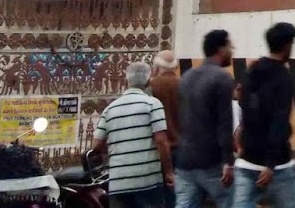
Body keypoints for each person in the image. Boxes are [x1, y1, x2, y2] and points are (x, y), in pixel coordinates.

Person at [235, 23, 295, 208]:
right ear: (287, 45)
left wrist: (242, 143)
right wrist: (270, 164)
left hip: (247, 161)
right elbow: (279, 120)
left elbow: (246, 112)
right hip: (277, 166)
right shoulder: (283, 77)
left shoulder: (251, 72)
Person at [95, 62, 173, 208]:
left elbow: (97, 144)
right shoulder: (152, 104)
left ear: (126, 81)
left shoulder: (110, 109)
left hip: (118, 183)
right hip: (147, 182)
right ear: (149, 82)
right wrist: (168, 172)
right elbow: (161, 141)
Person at [175, 30, 235, 208]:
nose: (232, 50)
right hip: (210, 161)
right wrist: (228, 161)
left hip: (184, 161)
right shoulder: (222, 78)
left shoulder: (186, 77)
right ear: (221, 49)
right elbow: (225, 123)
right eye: (230, 46)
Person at [151, 51, 182, 148]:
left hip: (160, 147)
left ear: (156, 67)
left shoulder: (151, 86)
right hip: (185, 147)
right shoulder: (187, 84)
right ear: (176, 67)